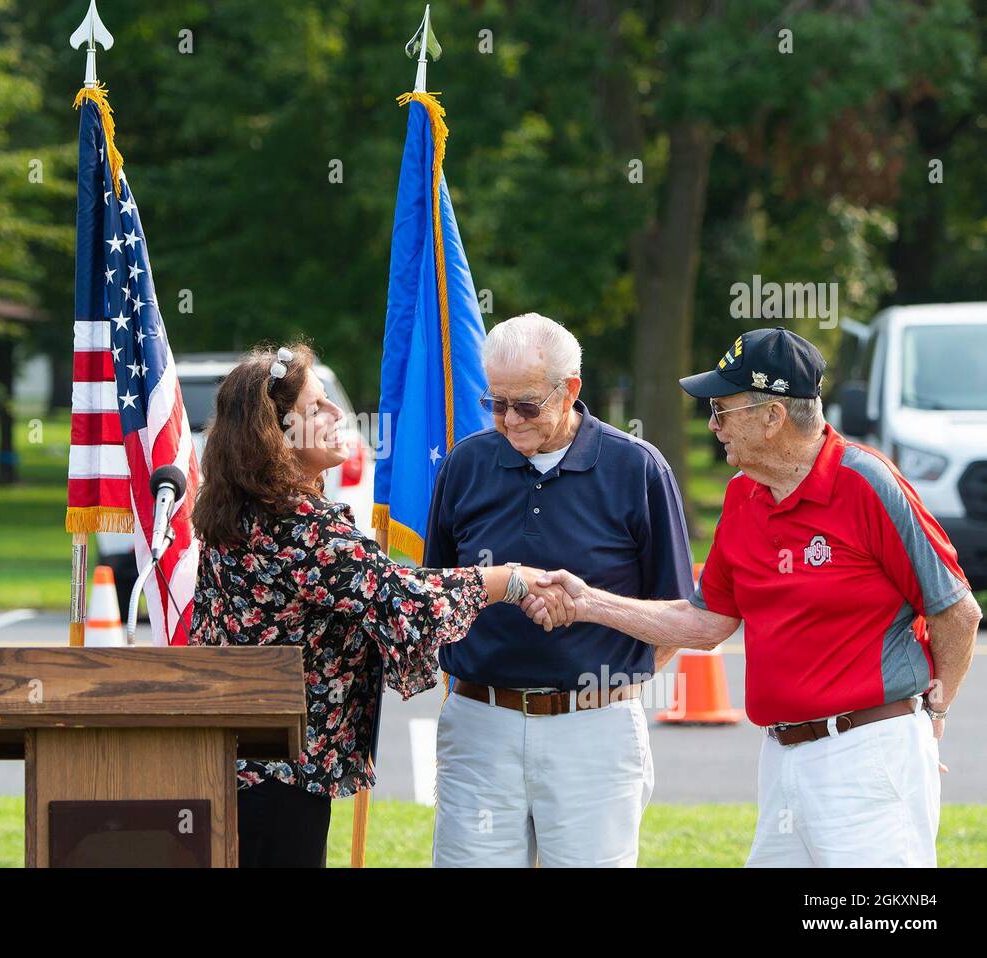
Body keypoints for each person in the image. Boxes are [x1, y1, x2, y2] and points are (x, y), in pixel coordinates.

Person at [526, 326, 981, 867]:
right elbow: (707, 621)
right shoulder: (744, 495)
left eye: (721, 410)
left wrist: (933, 714)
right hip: (783, 756)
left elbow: (957, 609)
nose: (712, 426)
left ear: (773, 417)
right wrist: (586, 603)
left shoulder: (865, 483)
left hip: (870, 752)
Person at [189, 343, 569, 867]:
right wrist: (508, 580)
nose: (337, 414)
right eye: (316, 407)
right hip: (278, 778)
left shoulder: (237, 511)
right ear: (275, 434)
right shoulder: (302, 529)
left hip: (228, 761)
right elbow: (404, 601)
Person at [424, 314, 694, 868]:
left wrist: (606, 688)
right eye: (494, 404)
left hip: (595, 728)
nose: (508, 420)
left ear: (570, 390)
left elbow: (677, 612)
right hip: (480, 723)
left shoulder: (637, 468)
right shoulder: (464, 465)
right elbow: (439, 594)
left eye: (524, 404)